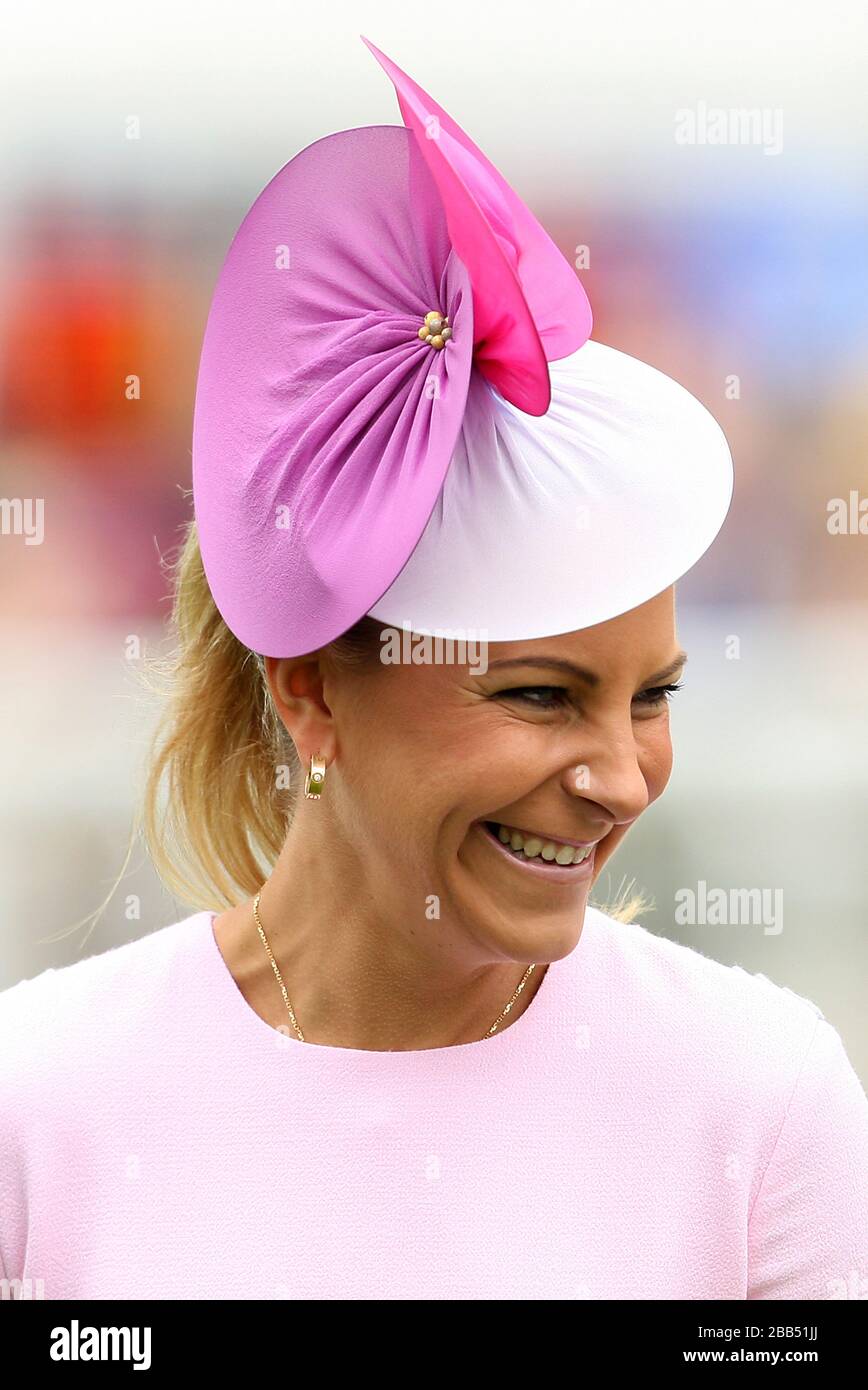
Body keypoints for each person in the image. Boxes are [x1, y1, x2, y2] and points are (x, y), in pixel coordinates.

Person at [1, 38, 866, 1302]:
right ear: (306, 687)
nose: (622, 778)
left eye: (653, 696)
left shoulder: (759, 1101)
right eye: (538, 695)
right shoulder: (40, 1106)